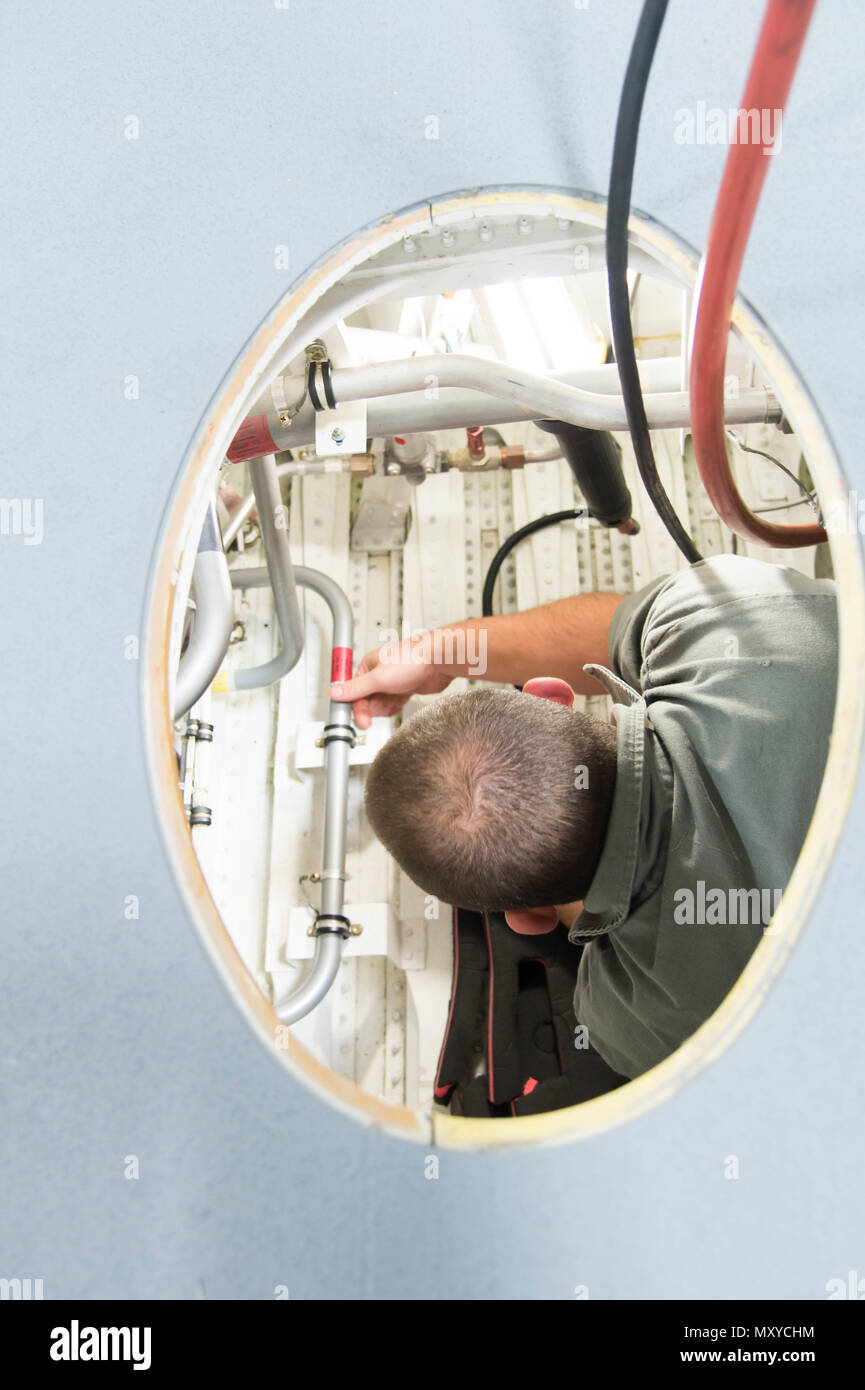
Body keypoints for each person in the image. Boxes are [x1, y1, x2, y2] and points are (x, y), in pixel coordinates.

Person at [329, 555, 838, 1080]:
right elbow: (613, 628)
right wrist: (437, 654)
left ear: (531, 919)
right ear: (555, 694)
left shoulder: (647, 1022)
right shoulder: (734, 619)